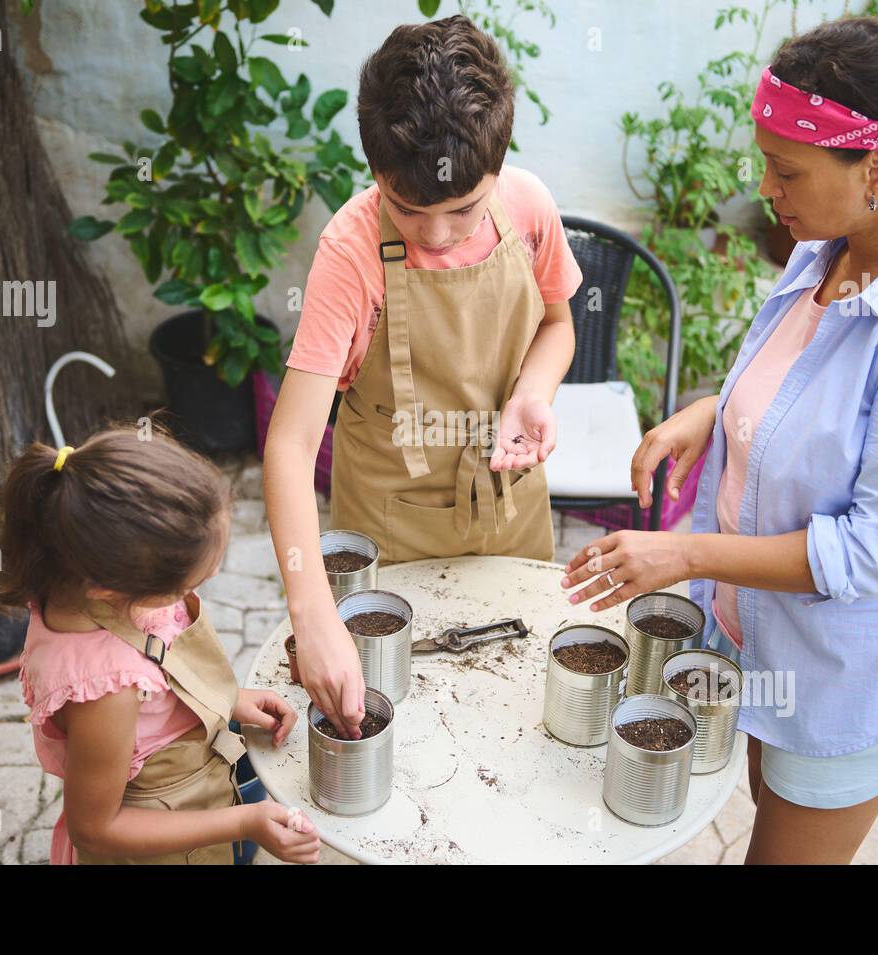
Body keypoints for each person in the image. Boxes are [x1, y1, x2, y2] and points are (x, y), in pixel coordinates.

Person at [561, 16, 878, 863]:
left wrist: (690, 556)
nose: (769, 190)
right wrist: (711, 412)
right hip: (762, 637)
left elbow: (875, 551)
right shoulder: (829, 244)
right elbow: (798, 383)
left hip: (842, 680)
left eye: (787, 170)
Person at [264, 14, 583, 738]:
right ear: (377, 171)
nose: (436, 234)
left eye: (463, 211)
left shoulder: (528, 208)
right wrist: (311, 612)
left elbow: (558, 325)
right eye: (409, 210)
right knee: (406, 728)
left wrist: (531, 393)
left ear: (498, 169)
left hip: (511, 513)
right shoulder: (348, 255)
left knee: (511, 719)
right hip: (390, 535)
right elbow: (288, 446)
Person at [0, 426, 321, 864]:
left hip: (201, 787)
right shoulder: (104, 690)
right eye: (189, 583)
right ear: (108, 588)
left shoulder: (75, 577)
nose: (206, 581)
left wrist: (228, 699)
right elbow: (96, 830)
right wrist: (245, 822)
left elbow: (159, 679)